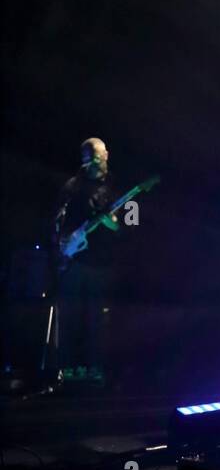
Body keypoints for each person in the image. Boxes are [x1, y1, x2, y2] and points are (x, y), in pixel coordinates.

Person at [52, 137, 118, 385]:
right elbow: (57, 218)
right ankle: (66, 370)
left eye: (97, 158)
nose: (93, 163)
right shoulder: (72, 185)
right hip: (74, 262)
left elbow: (133, 223)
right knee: (69, 317)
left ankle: (95, 370)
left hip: (102, 264)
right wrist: (61, 244)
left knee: (97, 320)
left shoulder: (118, 188)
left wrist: (113, 223)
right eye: (89, 159)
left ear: (106, 155)